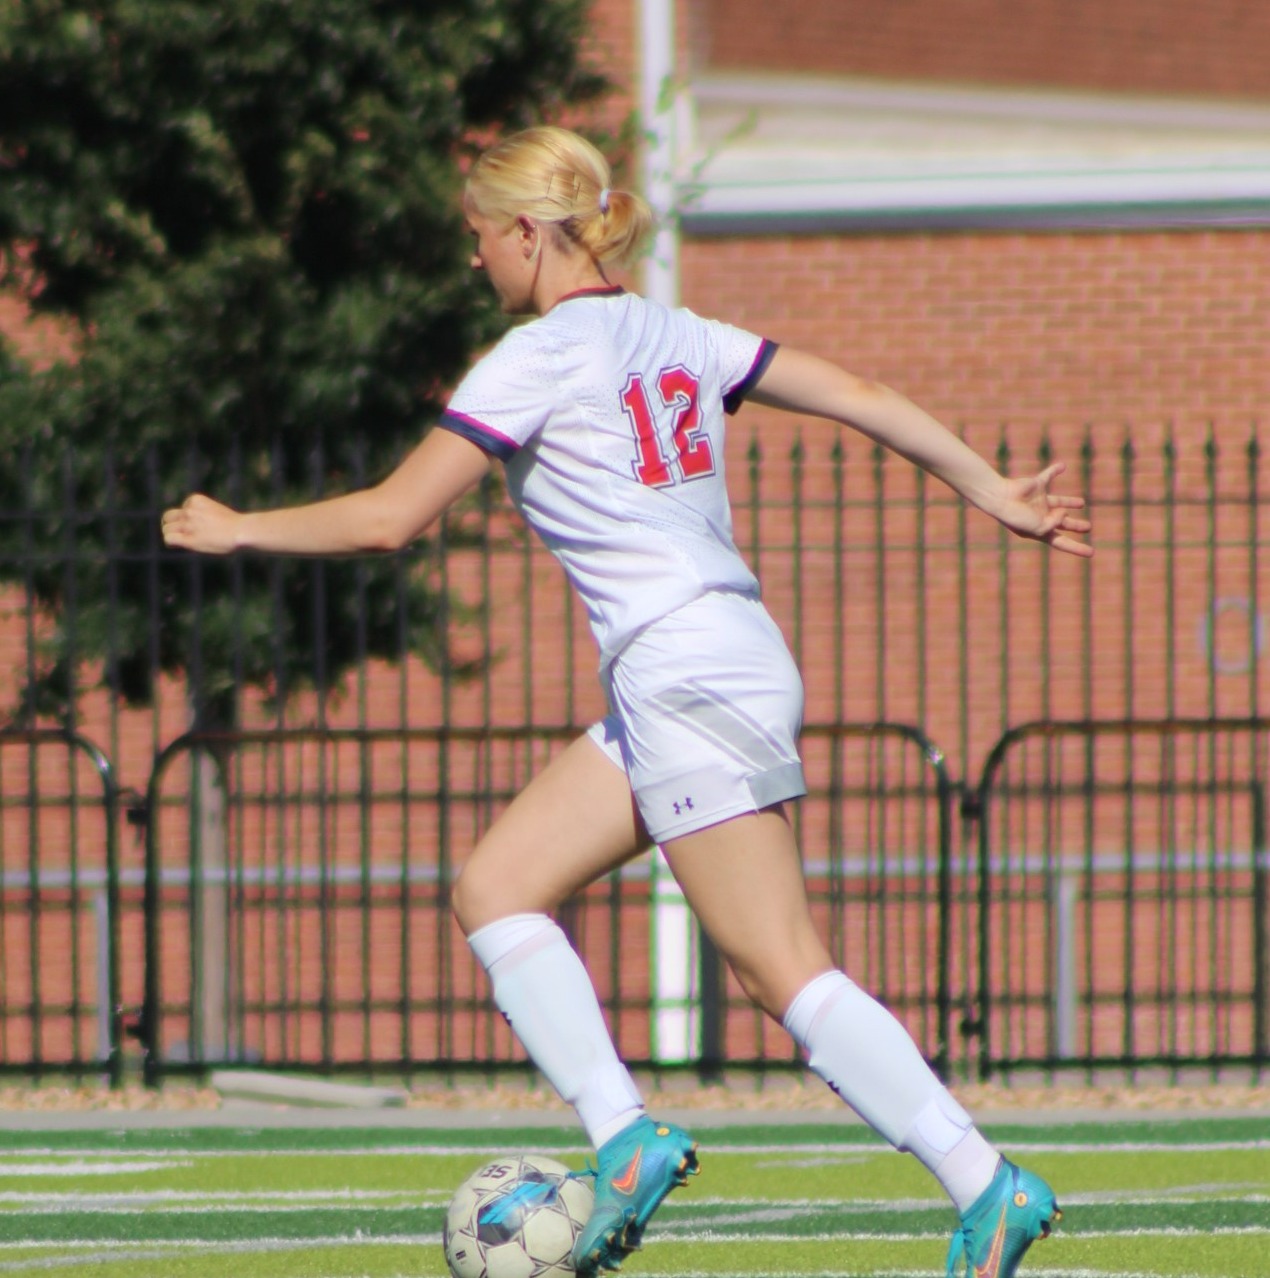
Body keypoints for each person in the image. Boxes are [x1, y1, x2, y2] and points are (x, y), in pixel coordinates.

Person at [162, 125, 1091, 1278]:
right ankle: (625, 1134)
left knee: (781, 969)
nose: (473, 264)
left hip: (683, 672)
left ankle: (983, 1182)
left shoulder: (536, 355)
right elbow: (857, 391)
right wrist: (987, 485)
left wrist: (241, 526)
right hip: (705, 662)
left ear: (522, 234)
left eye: (476, 239)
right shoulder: (680, 331)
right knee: (497, 888)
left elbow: (390, 518)